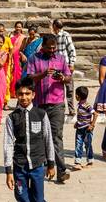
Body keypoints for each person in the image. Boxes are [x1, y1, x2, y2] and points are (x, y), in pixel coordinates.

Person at [2, 77, 55, 202]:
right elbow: (8, 144)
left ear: (33, 94)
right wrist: (8, 171)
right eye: (20, 94)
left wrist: (51, 163)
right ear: (16, 95)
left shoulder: (41, 115)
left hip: (38, 166)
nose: (23, 97)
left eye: (27, 93)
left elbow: (48, 139)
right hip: (20, 168)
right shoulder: (12, 118)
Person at [23, 33, 72, 183]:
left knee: (56, 137)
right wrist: (43, 74)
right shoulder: (34, 58)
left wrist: (63, 78)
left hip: (57, 103)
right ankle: (42, 166)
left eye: (54, 48)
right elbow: (29, 78)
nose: (52, 50)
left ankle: (61, 170)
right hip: (39, 104)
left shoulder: (61, 59)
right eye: (49, 48)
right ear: (42, 46)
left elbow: (69, 77)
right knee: (40, 136)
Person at [51, 19, 78, 117]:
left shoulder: (65, 35)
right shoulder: (53, 37)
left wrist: (72, 63)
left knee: (69, 87)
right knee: (57, 87)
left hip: (66, 65)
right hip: (56, 65)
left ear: (54, 26)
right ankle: (59, 108)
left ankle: (71, 109)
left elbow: (71, 50)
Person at [74, 86, 96, 168]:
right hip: (79, 128)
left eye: (76, 94)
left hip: (87, 129)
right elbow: (81, 116)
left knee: (88, 145)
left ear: (78, 96)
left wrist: (92, 124)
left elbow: (95, 114)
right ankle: (78, 162)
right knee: (78, 144)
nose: (75, 96)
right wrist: (77, 122)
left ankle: (90, 161)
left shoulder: (87, 105)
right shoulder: (79, 105)